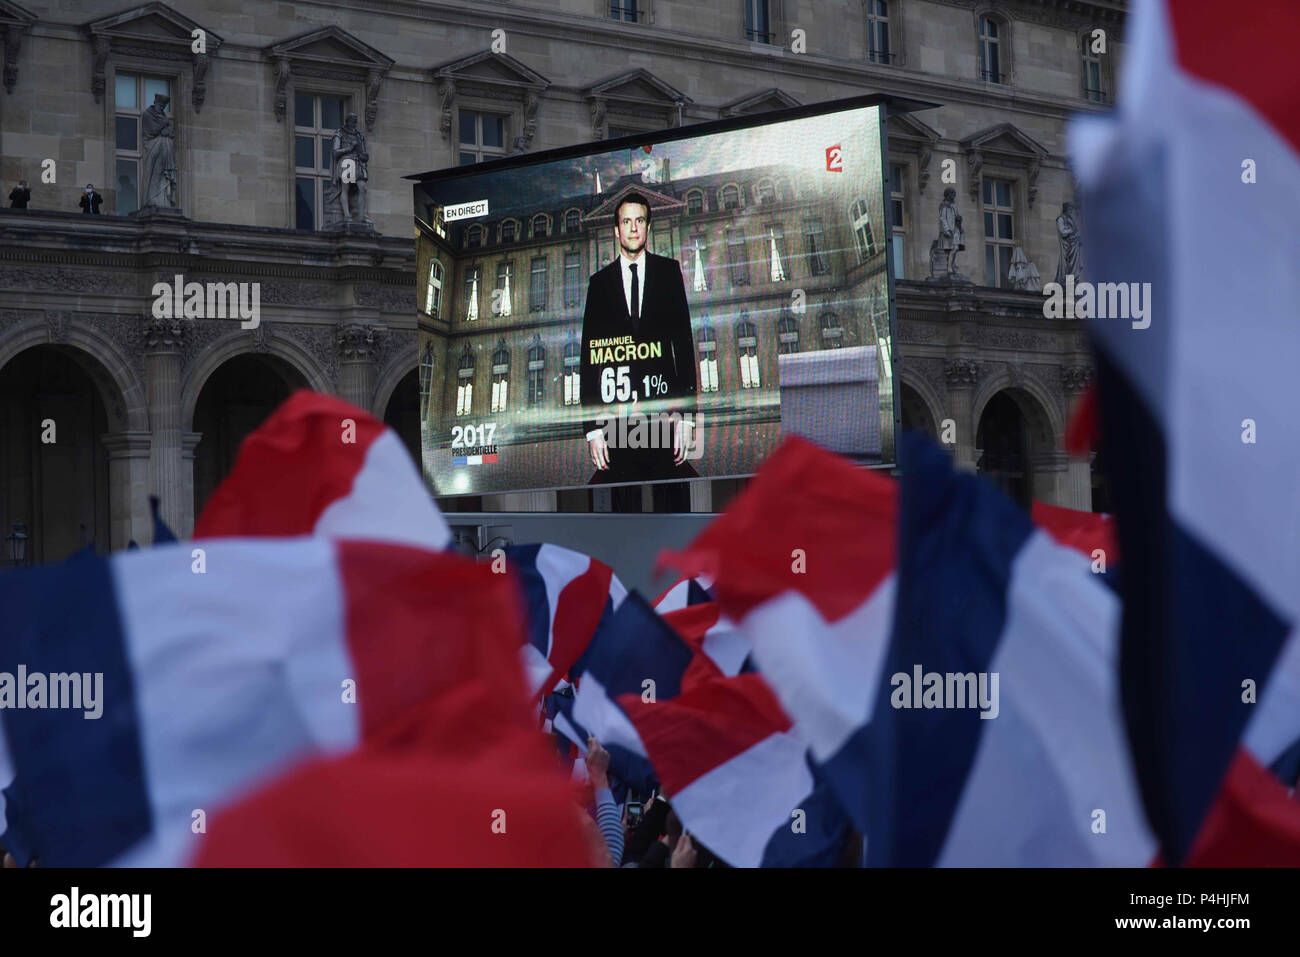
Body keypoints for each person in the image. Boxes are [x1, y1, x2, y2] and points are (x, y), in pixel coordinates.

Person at [578, 192, 698, 487]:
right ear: (617, 230)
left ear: (648, 227)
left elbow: (682, 347)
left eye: (640, 220)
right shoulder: (599, 284)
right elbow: (589, 359)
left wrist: (688, 417)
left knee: (675, 500)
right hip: (617, 418)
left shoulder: (669, 273)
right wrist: (592, 430)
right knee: (616, 505)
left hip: (663, 416)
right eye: (626, 221)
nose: (633, 228)